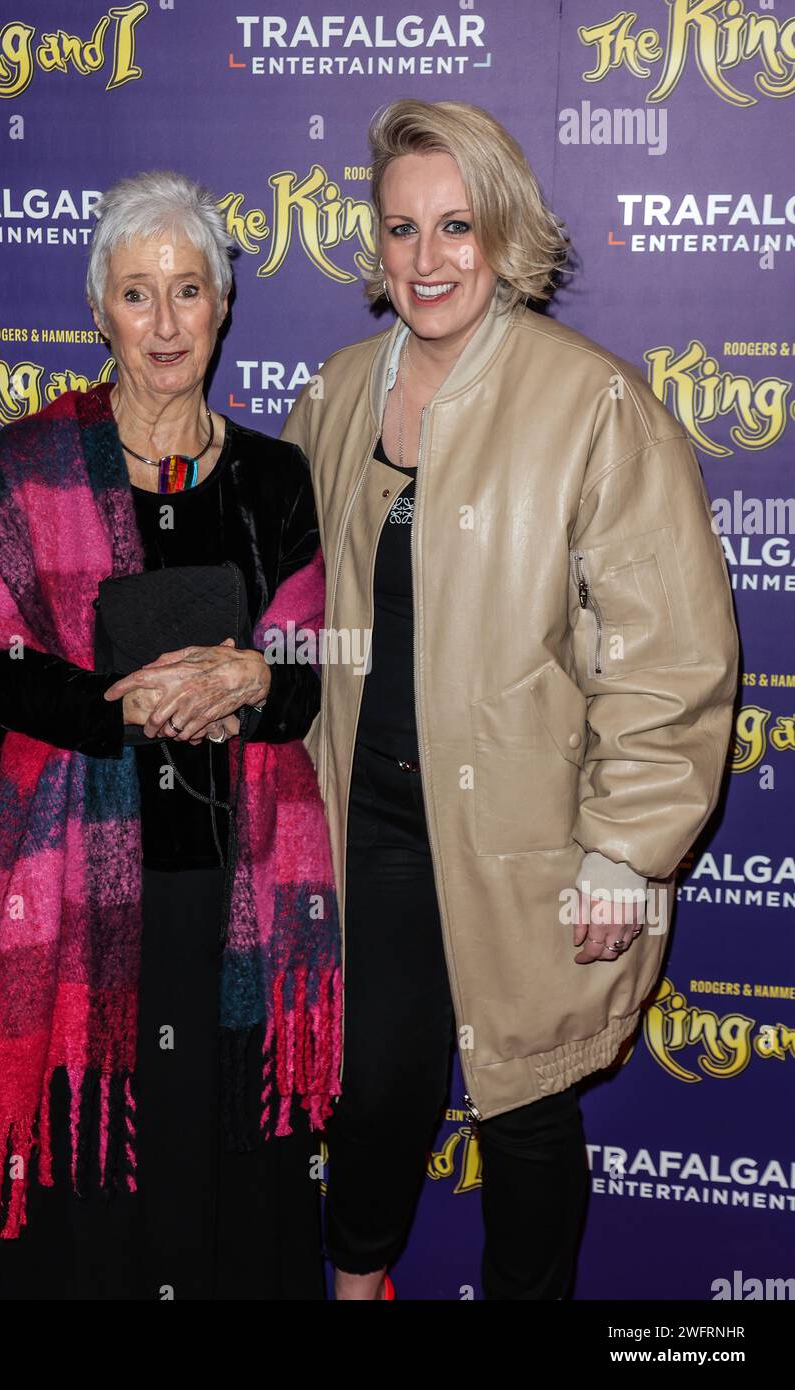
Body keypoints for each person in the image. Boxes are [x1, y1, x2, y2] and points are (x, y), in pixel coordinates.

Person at [279, 99, 740, 1300]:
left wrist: (627, 852)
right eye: (401, 229)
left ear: (506, 232)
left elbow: (668, 651)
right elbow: (308, 616)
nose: (428, 260)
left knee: (526, 1104)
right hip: (368, 822)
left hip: (533, 832)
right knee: (372, 1083)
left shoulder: (591, 404)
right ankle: (356, 1281)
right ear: (374, 246)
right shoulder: (335, 395)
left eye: (457, 227)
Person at [0, 169, 341, 1301]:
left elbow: (312, 676)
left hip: (222, 877)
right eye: (139, 295)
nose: (168, 322)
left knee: (198, 1149)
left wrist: (251, 675)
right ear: (101, 313)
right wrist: (113, 706)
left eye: (189, 290)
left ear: (224, 306)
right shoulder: (30, 460)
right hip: (45, 872)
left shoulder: (277, 478)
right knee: (61, 1176)